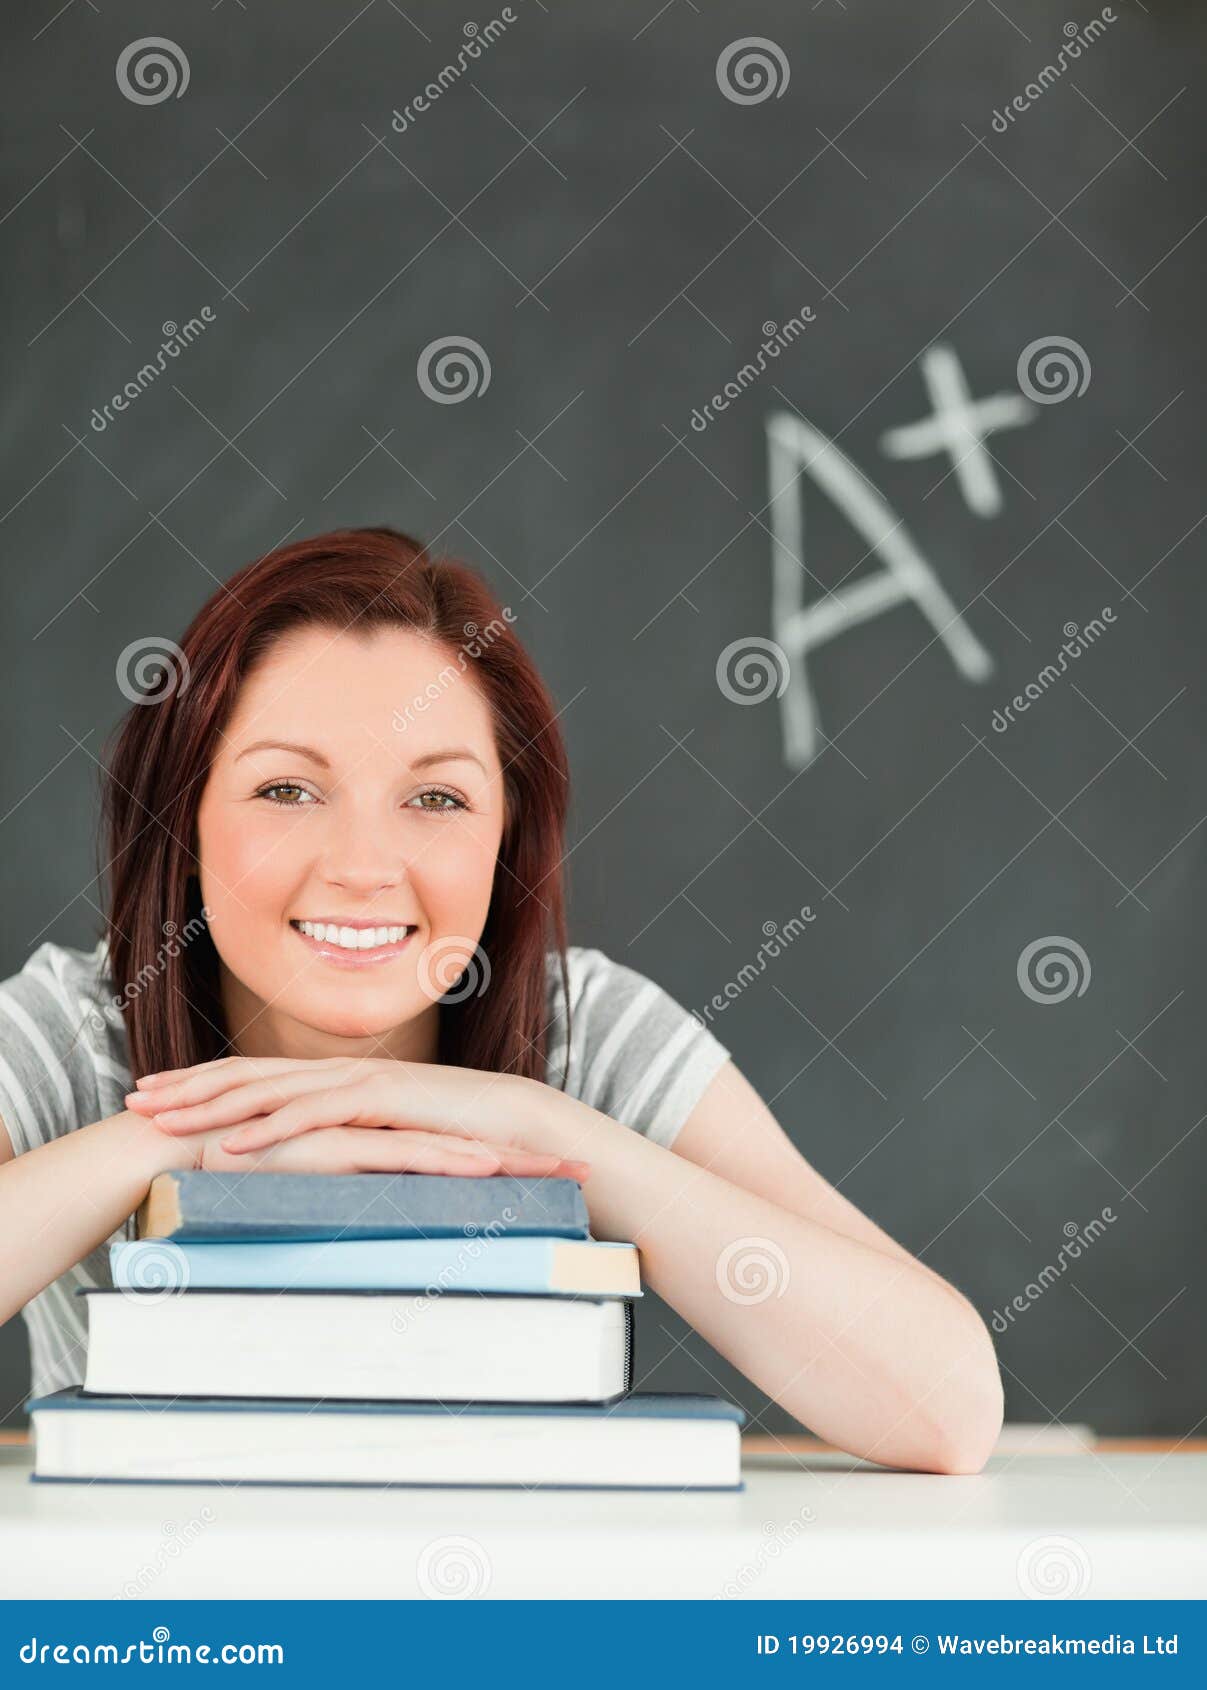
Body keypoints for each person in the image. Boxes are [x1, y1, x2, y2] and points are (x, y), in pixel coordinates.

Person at [0, 525, 1003, 1471]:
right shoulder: (75, 1031)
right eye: (286, 791)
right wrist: (173, 1141)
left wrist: (537, 1123)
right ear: (182, 824)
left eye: (436, 798)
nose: (362, 867)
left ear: (503, 838)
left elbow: (947, 1408)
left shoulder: (585, 1035)